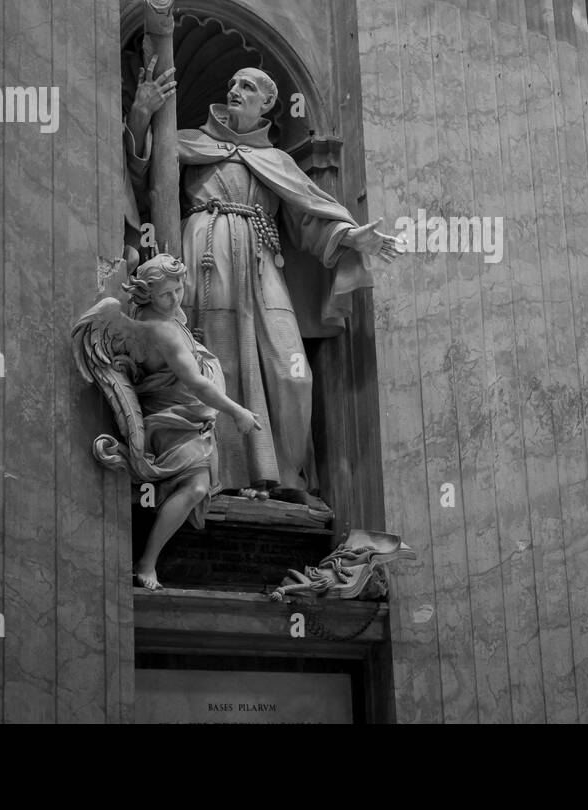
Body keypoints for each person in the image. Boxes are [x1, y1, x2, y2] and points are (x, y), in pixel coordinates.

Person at [126, 61, 401, 508]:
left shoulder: (278, 161)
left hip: (260, 263)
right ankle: (217, 475)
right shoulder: (190, 142)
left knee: (292, 368)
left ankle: (286, 476)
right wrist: (141, 115)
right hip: (204, 259)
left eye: (248, 86)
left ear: (268, 102)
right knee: (214, 361)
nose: (235, 89)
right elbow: (143, 180)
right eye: (231, 82)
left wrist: (350, 236)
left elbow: (310, 215)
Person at [75, 254, 262, 590]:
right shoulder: (163, 330)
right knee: (197, 487)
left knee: (197, 486)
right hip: (174, 416)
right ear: (146, 293)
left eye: (179, 289)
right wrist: (238, 412)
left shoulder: (157, 314)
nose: (176, 298)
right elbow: (196, 383)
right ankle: (146, 564)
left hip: (186, 413)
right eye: (166, 294)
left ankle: (148, 561)